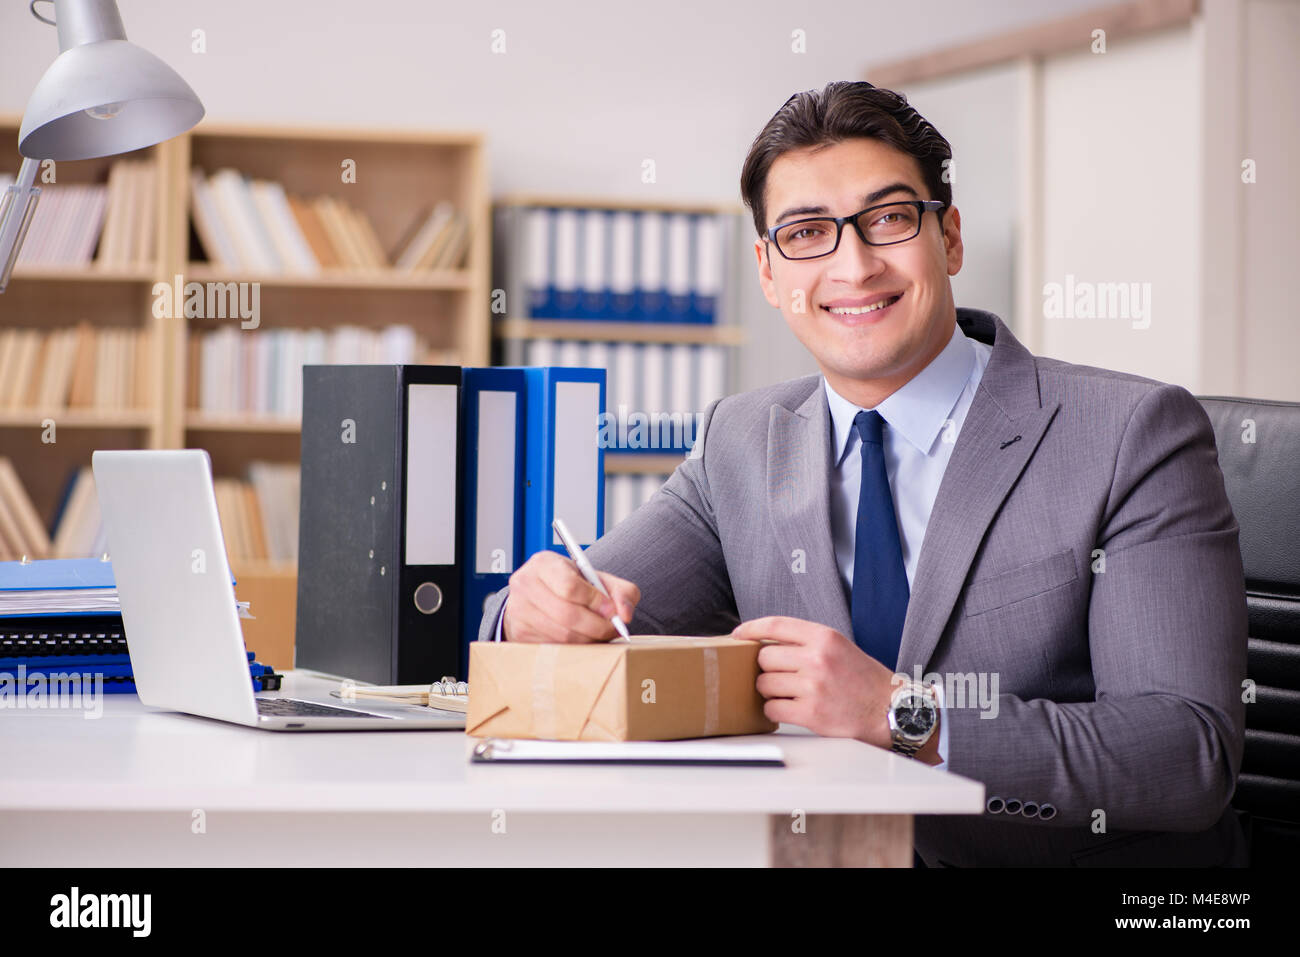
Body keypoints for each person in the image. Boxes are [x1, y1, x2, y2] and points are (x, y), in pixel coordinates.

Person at [478, 81, 1249, 867]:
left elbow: (1186, 753)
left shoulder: (1128, 434)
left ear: (948, 237)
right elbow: (562, 614)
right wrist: (529, 612)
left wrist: (904, 714)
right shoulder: (739, 443)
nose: (853, 265)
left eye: (887, 218)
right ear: (771, 273)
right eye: (808, 232)